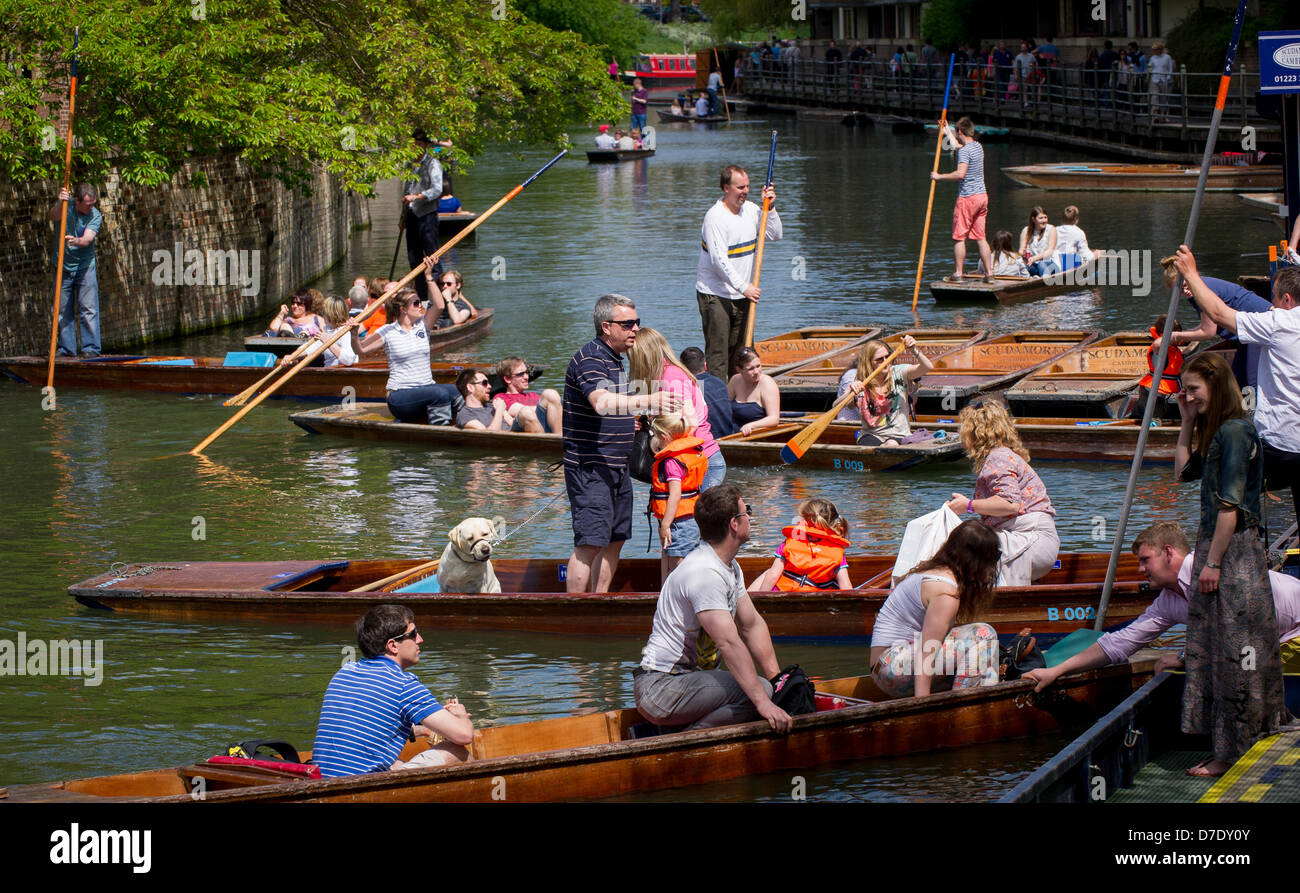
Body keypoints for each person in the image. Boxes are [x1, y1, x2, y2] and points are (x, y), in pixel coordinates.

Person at [1171, 350, 1289, 777]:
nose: (1187, 394)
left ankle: (1231, 750)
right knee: (1223, 644)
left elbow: (1230, 506)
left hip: (1232, 553)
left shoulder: (1237, 433)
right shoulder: (1219, 431)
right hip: (1218, 548)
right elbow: (1184, 474)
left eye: (1194, 389)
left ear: (1216, 386)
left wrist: (1213, 564)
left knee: (1236, 650)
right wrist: (1187, 422)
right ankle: (1244, 733)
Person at [1023, 520, 1300, 691]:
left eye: (1145, 560)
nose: (1141, 570)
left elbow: (1235, 633)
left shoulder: (1205, 571)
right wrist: (1054, 671)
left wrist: (1182, 658)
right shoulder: (1167, 601)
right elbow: (1118, 644)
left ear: (1169, 552)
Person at [633, 485, 793, 733]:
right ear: (734, 524)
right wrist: (764, 701)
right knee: (759, 693)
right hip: (662, 687)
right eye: (746, 512)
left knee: (768, 688)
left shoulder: (728, 566)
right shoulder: (705, 572)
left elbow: (752, 625)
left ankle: (675, 732)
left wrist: (779, 681)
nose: (750, 517)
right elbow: (729, 643)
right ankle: (675, 738)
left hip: (687, 686)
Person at [562, 294, 681, 594]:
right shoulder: (590, 358)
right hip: (591, 467)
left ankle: (599, 601)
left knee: (615, 540)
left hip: (617, 466)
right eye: (627, 324)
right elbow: (600, 402)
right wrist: (647, 399)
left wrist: (632, 421)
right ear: (606, 327)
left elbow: (613, 406)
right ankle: (574, 610)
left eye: (637, 323)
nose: (635, 330)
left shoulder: (614, 360)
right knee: (589, 543)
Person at [1174, 249, 1300, 529]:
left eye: (1275, 301)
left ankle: (1229, 549)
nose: (1272, 306)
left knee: (1222, 483)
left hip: (1282, 446)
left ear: (1287, 300)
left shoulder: (1282, 321)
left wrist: (1192, 273)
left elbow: (1219, 314)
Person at [313, 605, 473, 777]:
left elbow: (373, 721)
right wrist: (460, 716)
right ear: (393, 646)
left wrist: (419, 730)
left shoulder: (344, 672)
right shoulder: (404, 685)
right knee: (456, 751)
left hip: (322, 781)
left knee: (397, 764)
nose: (420, 639)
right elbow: (464, 736)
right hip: (358, 789)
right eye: (413, 634)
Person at [870, 520, 1002, 699]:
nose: (993, 568)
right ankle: (966, 706)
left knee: (981, 657)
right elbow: (927, 651)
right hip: (893, 668)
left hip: (887, 668)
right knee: (983, 634)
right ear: (974, 561)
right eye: (991, 561)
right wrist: (922, 703)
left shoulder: (935, 573)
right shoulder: (946, 593)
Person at [946, 401, 1059, 585]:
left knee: (961, 544)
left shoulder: (997, 457)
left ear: (976, 431)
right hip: (1034, 541)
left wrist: (967, 505)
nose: (960, 434)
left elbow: (1008, 504)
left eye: (963, 428)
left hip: (1031, 542)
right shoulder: (1002, 455)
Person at [695, 164, 782, 378]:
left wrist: (769, 209)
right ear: (726, 188)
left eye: (748, 187)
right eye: (740, 187)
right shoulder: (715, 217)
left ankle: (738, 400)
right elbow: (718, 260)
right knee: (719, 356)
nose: (745, 191)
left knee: (741, 354)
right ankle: (717, 405)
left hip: (743, 294)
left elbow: (775, 234)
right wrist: (744, 287)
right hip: (715, 294)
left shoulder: (752, 210)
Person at [628, 327, 725, 491]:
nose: (630, 361)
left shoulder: (671, 376)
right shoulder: (661, 375)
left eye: (632, 357)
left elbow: (690, 423)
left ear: (643, 356)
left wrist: (657, 443)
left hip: (699, 460)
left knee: (694, 515)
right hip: (690, 459)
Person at [1159, 254, 1270, 390]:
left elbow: (1208, 332)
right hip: (1246, 333)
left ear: (1192, 276)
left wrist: (1175, 336)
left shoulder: (1203, 290)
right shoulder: (1196, 292)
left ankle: (1255, 409)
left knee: (1252, 380)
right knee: (1237, 378)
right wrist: (1183, 337)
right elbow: (1206, 325)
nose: (1186, 291)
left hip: (1261, 326)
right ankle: (1240, 409)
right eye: (1180, 290)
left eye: (1186, 285)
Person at [354, 287, 461, 424]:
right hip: (400, 396)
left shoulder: (423, 325)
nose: (420, 306)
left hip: (426, 388)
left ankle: (467, 424)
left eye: (420, 302)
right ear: (403, 309)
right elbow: (361, 350)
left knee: (459, 390)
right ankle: (441, 431)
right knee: (439, 394)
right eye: (416, 303)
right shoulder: (388, 331)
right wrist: (353, 334)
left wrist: (428, 276)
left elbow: (440, 305)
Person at [931, 117, 994, 283]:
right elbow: (958, 146)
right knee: (981, 237)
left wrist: (939, 176)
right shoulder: (977, 147)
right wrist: (946, 131)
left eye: (957, 133)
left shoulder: (965, 151)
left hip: (968, 198)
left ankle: (958, 274)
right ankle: (989, 274)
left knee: (959, 237)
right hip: (982, 197)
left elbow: (960, 174)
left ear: (960, 132)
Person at [648, 410, 706, 581]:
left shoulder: (672, 462)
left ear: (664, 437)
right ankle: (666, 593)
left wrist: (665, 524)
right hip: (689, 517)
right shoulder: (687, 452)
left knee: (678, 561)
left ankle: (683, 595)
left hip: (678, 521)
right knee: (669, 554)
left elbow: (675, 495)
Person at [845, 335, 934, 446]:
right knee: (890, 444)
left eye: (887, 357)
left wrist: (913, 350)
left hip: (901, 436)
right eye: (879, 360)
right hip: (871, 436)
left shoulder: (899, 373)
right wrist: (851, 391)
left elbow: (927, 367)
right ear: (869, 363)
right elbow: (839, 404)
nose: (886, 361)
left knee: (892, 443)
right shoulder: (861, 382)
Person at [750, 497, 852, 592]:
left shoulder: (790, 543)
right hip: (816, 601)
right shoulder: (837, 552)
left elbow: (773, 576)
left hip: (783, 595)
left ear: (805, 522)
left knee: (768, 572)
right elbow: (846, 587)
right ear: (832, 523)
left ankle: (747, 601)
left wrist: (763, 599)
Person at [49, 183, 102, 357]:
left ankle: (91, 349)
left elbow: (87, 239)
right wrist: (59, 203)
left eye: (93, 203)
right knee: (62, 310)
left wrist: (76, 241)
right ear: (76, 201)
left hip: (85, 267)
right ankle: (66, 349)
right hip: (63, 266)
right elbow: (53, 216)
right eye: (87, 204)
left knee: (88, 309)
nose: (91, 207)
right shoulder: (66, 206)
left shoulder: (95, 215)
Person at [401, 128, 444, 301]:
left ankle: (440, 301)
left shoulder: (433, 164)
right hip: (411, 215)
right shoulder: (409, 164)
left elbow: (437, 190)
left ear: (425, 146)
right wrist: (402, 217)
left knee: (433, 258)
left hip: (427, 215)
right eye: (414, 145)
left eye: (420, 144)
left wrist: (416, 197)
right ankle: (422, 301)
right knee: (414, 260)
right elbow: (406, 192)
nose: (417, 148)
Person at [1132, 314, 1182, 423]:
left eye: (1177, 335)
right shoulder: (1158, 349)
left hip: (1160, 393)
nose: (1176, 338)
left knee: (1161, 415)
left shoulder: (1173, 347)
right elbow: (1158, 349)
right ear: (1161, 334)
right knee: (1154, 421)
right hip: (1151, 392)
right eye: (1173, 335)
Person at [680, 346, 737, 438]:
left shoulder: (690, 387)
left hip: (709, 439)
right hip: (728, 434)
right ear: (705, 365)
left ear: (682, 369)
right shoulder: (719, 382)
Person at [495, 355, 561, 434]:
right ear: (507, 379)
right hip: (521, 428)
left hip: (544, 427)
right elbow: (519, 410)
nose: (526, 377)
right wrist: (552, 408)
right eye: (520, 374)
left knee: (550, 393)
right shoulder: (501, 397)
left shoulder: (533, 395)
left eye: (526, 372)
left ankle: (561, 440)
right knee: (526, 412)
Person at [728, 346, 780, 436]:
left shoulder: (767, 383)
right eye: (751, 369)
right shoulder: (735, 380)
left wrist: (751, 425)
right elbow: (724, 406)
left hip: (755, 434)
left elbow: (774, 418)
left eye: (758, 366)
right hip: (732, 432)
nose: (756, 371)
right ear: (739, 369)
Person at [312, 295, 358, 368]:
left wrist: (328, 342)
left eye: (324, 312)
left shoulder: (344, 331)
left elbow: (349, 360)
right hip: (329, 371)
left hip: (342, 373)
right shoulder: (326, 329)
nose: (322, 315)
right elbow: (310, 348)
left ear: (330, 314)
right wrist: (291, 357)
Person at [1018, 205, 1058, 277]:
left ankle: (1044, 283)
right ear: (1033, 219)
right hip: (1032, 263)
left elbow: (1050, 251)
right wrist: (1023, 254)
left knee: (1041, 264)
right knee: (1021, 265)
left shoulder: (1051, 229)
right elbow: (1021, 250)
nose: (1044, 220)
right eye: (1041, 218)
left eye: (1045, 217)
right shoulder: (1026, 231)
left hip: (1048, 262)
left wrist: (1034, 258)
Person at [1052, 205, 1093, 271]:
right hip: (1069, 264)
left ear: (1062, 219)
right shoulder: (1079, 232)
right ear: (1076, 220)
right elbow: (1085, 253)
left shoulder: (1054, 230)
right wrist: (1095, 255)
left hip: (1055, 262)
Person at [1148, 43, 1174, 122]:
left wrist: (1168, 77)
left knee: (1164, 98)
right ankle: (1155, 115)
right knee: (1155, 96)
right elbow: (1150, 67)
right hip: (1155, 79)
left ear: (1160, 49)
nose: (1155, 51)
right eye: (1154, 50)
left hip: (1163, 79)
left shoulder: (1167, 57)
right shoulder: (1152, 58)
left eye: (1156, 49)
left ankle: (1164, 115)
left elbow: (1170, 68)